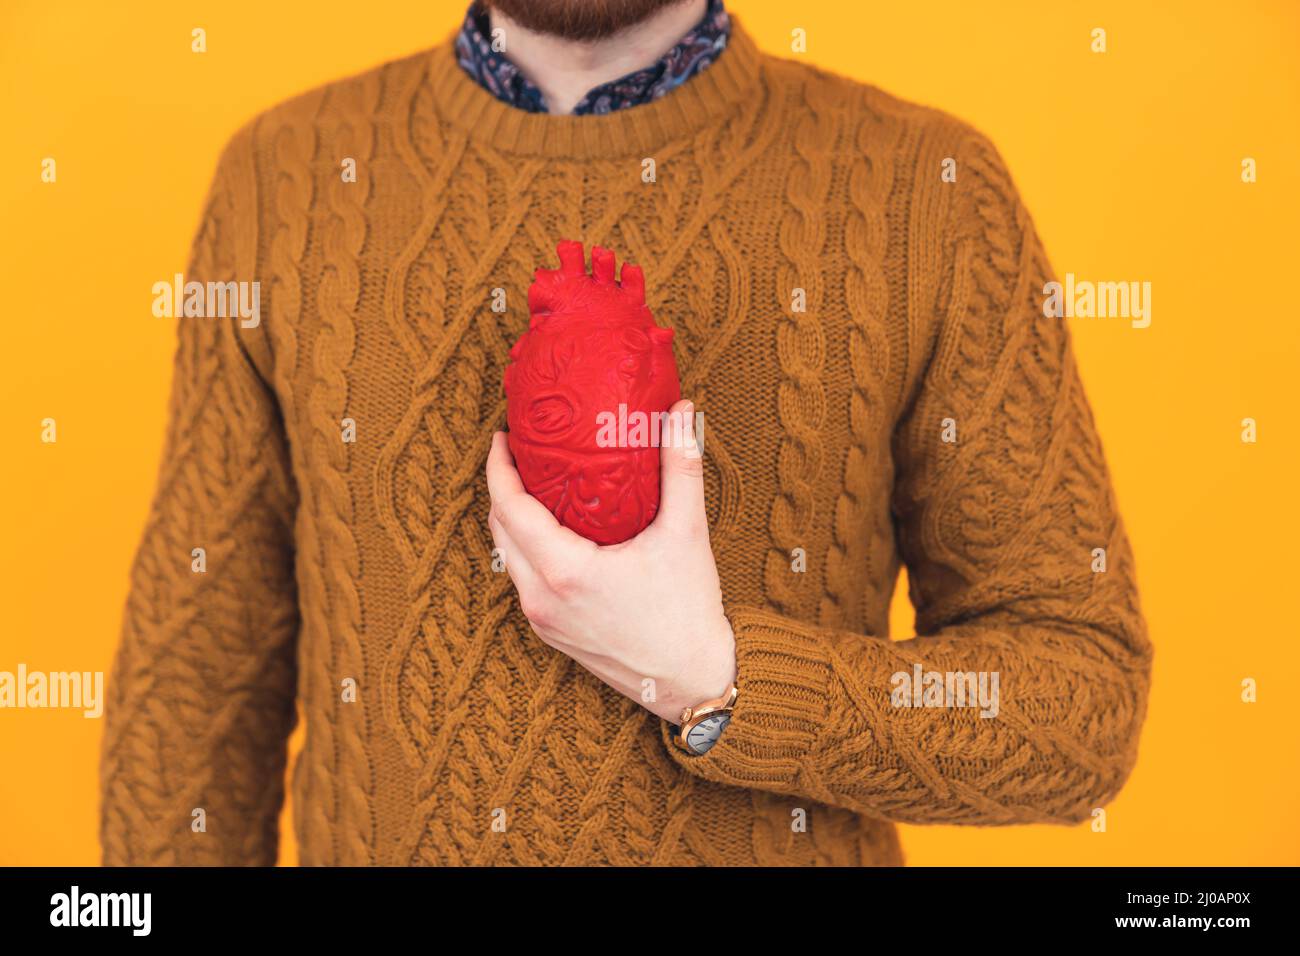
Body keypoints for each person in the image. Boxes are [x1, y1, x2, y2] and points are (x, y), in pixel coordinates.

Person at [100, 0, 1152, 866]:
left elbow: (1079, 703)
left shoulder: (926, 190)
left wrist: (714, 673)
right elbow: (191, 694)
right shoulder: (283, 182)